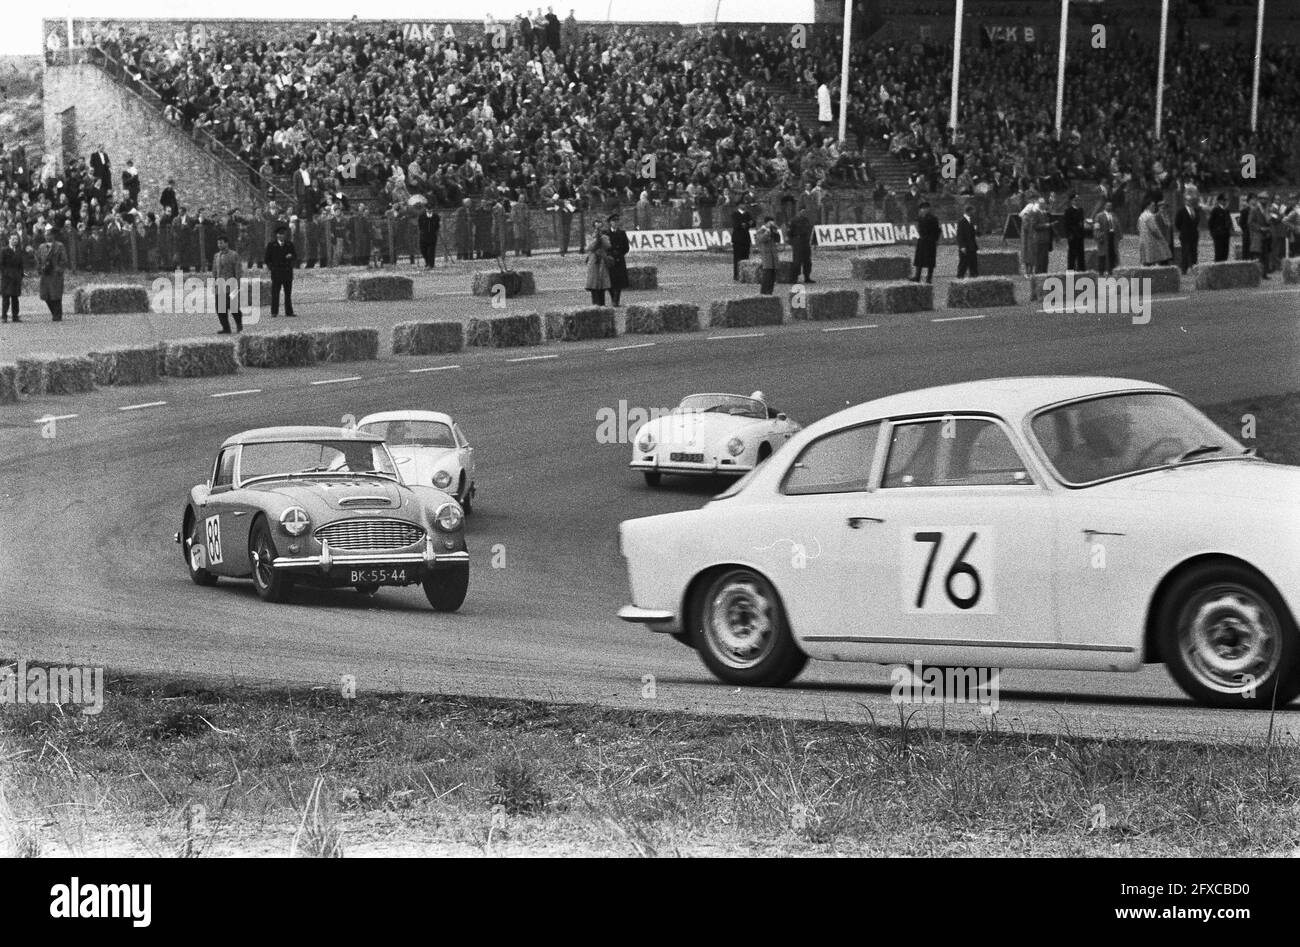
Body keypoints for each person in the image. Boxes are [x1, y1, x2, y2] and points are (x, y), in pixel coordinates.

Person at [212, 234, 244, 334]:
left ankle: (239, 324)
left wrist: (237, 285)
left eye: (221, 243)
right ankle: (226, 328)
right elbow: (214, 270)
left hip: (231, 286)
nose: (219, 245)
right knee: (220, 309)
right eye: (218, 243)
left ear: (226, 243)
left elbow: (238, 271)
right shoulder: (216, 256)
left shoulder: (234, 255)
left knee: (234, 308)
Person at [264, 224, 297, 317]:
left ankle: (289, 312)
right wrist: (272, 268)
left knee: (288, 294)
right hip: (276, 272)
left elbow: (295, 256)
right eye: (280, 234)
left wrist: (291, 257)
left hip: (287, 272)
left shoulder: (289, 244)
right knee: (275, 293)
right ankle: (274, 312)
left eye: (283, 234)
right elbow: (267, 259)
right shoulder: (271, 245)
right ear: (277, 235)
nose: (282, 236)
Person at [35, 226, 67, 321]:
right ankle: (54, 312)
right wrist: (40, 268)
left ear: (53, 235)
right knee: (46, 296)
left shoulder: (59, 246)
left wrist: (59, 269)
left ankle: (57, 315)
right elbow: (38, 259)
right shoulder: (41, 247)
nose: (46, 236)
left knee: (56, 295)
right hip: (45, 274)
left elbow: (64, 259)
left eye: (48, 234)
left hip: (55, 274)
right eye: (45, 234)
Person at [910, 201, 939, 283]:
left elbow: (937, 231)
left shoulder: (933, 218)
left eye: (924, 209)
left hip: (930, 241)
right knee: (919, 260)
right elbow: (919, 229)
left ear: (928, 209)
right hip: (922, 241)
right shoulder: (920, 218)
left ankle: (929, 278)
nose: (922, 210)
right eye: (921, 209)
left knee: (930, 261)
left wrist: (934, 240)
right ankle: (917, 276)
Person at [1174, 188, 1202, 274]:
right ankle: (1184, 270)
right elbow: (1177, 223)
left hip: (1194, 235)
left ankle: (1194, 268)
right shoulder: (1181, 211)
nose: (1190, 202)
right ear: (1185, 201)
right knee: (1185, 253)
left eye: (1191, 200)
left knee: (1194, 252)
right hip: (1185, 235)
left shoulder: (1196, 210)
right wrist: (1183, 230)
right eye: (1188, 200)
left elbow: (1197, 221)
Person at [585, 220, 610, 306]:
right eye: (596, 227)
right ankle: (595, 304)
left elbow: (608, 246)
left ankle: (602, 304)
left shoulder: (605, 237)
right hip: (593, 262)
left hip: (602, 262)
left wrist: (601, 238)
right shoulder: (589, 237)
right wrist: (596, 239)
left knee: (602, 284)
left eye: (600, 227)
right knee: (593, 284)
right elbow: (590, 247)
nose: (598, 229)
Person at [606, 212, 629, 307]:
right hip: (609, 260)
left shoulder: (622, 233)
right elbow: (604, 246)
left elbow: (626, 247)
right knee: (610, 281)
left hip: (619, 260)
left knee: (618, 282)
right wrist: (610, 255)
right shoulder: (606, 233)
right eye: (613, 221)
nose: (615, 223)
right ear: (610, 223)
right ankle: (613, 298)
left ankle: (616, 300)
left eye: (617, 221)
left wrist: (619, 254)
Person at [1138, 197, 1168, 266]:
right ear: (1148, 206)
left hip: (1143, 241)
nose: (1154, 207)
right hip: (1151, 242)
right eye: (1153, 205)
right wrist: (1161, 238)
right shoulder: (1150, 216)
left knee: (1145, 262)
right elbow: (1154, 230)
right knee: (1152, 263)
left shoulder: (1141, 216)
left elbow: (1138, 228)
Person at [788, 209, 814, 283]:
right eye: (802, 211)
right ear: (798, 212)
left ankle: (807, 277)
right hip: (797, 241)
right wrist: (793, 242)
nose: (804, 213)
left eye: (805, 211)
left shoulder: (806, 220)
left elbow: (809, 229)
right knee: (797, 261)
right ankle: (794, 278)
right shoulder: (794, 220)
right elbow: (789, 232)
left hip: (805, 241)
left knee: (807, 260)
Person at [755, 216, 779, 296]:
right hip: (766, 255)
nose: (772, 224)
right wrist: (767, 231)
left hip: (773, 255)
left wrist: (775, 231)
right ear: (767, 223)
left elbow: (778, 239)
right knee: (767, 275)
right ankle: (764, 292)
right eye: (770, 222)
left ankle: (770, 292)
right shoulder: (761, 230)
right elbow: (760, 239)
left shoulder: (773, 230)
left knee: (772, 275)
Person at [1, 233, 22, 322]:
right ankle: (4, 316)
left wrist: (21, 275)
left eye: (16, 239)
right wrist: (6, 273)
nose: (15, 241)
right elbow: (1, 264)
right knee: (6, 298)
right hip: (7, 278)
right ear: (9, 240)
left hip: (16, 278)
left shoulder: (19, 251)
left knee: (15, 298)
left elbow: (21, 265)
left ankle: (15, 316)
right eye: (13, 239)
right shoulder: (4, 250)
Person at [1063, 193, 1087, 271]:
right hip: (1073, 236)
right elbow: (1067, 224)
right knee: (1072, 255)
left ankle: (1082, 270)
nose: (1077, 202)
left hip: (1080, 236)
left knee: (1081, 254)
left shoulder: (1081, 210)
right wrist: (1069, 235)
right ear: (1071, 201)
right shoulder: (1068, 211)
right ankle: (1070, 271)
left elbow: (1082, 222)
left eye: (1078, 200)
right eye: (1075, 200)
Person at [731, 202, 754, 281]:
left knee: (746, 257)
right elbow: (737, 225)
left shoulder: (748, 214)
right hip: (737, 239)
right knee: (737, 258)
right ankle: (737, 275)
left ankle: (745, 275)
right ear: (739, 205)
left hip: (746, 238)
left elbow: (753, 223)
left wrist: (746, 224)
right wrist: (746, 224)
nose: (744, 205)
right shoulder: (735, 214)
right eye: (742, 204)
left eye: (744, 204)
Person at [1095, 200, 1119, 274]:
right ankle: (1101, 270)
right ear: (1104, 206)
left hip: (1112, 236)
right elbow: (1096, 227)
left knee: (1112, 253)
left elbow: (1117, 225)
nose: (1109, 207)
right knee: (1103, 254)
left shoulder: (1113, 215)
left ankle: (1111, 269)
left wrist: (1119, 236)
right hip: (1104, 236)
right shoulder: (1099, 216)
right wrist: (1099, 236)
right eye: (1108, 205)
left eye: (1110, 206)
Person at [956, 203, 979, 278]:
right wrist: (962, 246)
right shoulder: (962, 221)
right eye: (973, 211)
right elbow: (960, 235)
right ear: (969, 211)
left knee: (973, 264)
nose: (974, 212)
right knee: (963, 264)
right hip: (965, 247)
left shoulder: (970, 220)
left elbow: (973, 233)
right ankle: (959, 278)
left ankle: (974, 278)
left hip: (972, 247)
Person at [1208, 193, 1232, 263]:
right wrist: (1214, 233)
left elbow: (1228, 221)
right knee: (1219, 254)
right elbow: (1210, 223)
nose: (1225, 202)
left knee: (1225, 253)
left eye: (1226, 200)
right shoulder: (1215, 210)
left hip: (1226, 235)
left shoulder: (1227, 210)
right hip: (1218, 235)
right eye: (1223, 200)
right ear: (1219, 201)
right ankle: (1218, 269)